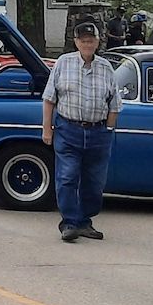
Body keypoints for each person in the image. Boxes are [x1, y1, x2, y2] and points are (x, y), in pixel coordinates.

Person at [40, 19, 121, 242]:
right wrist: (47, 129)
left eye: (91, 40)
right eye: (83, 40)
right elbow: (49, 99)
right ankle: (69, 223)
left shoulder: (106, 68)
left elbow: (114, 104)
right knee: (67, 177)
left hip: (98, 132)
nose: (87, 44)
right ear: (76, 42)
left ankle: (84, 222)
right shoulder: (62, 64)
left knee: (94, 182)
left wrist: (109, 129)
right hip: (68, 129)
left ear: (97, 42)